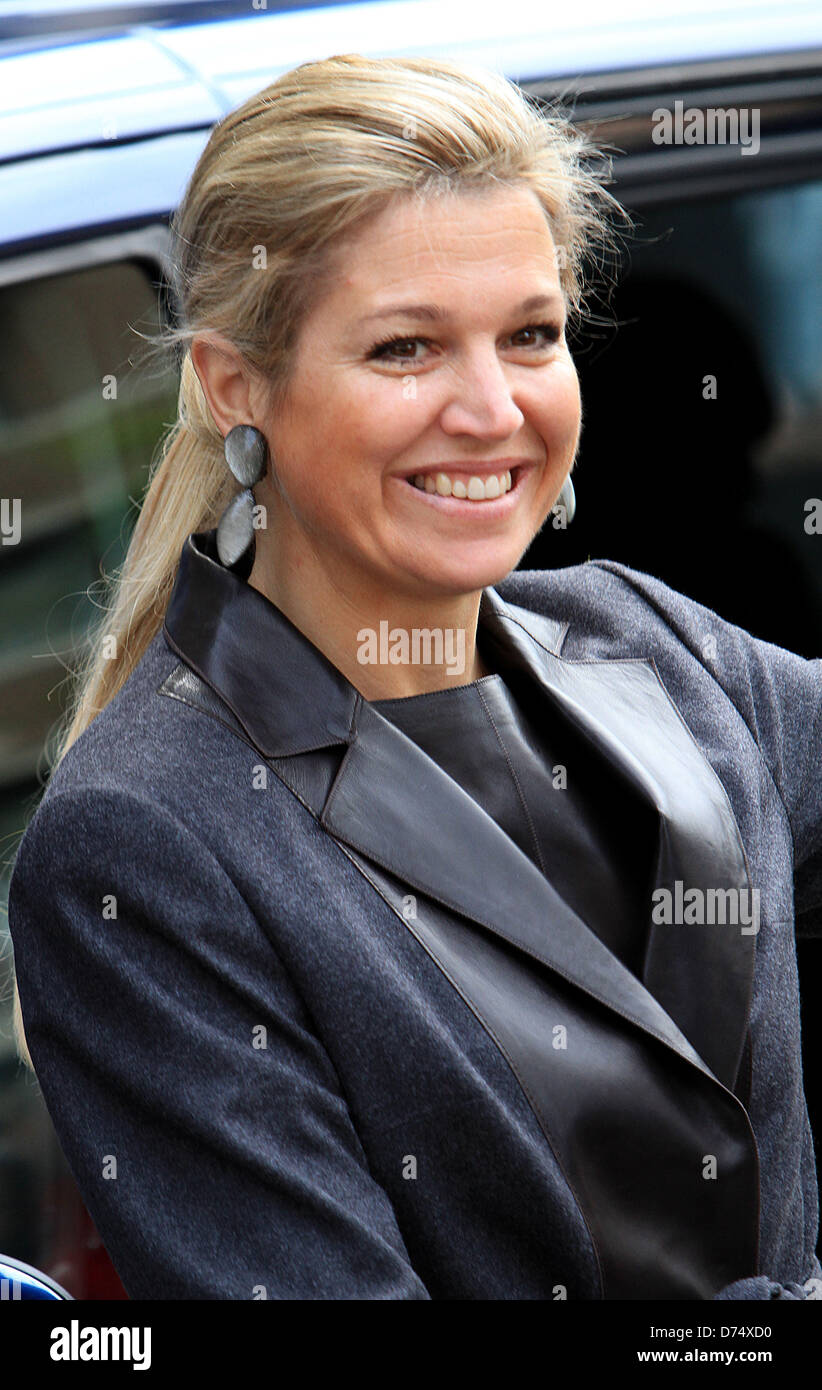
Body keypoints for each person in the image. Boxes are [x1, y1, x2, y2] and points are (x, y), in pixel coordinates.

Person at [7, 53, 820, 1301]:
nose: (492, 408)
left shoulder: (655, 644)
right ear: (235, 385)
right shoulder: (144, 844)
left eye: (531, 336)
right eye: (406, 349)